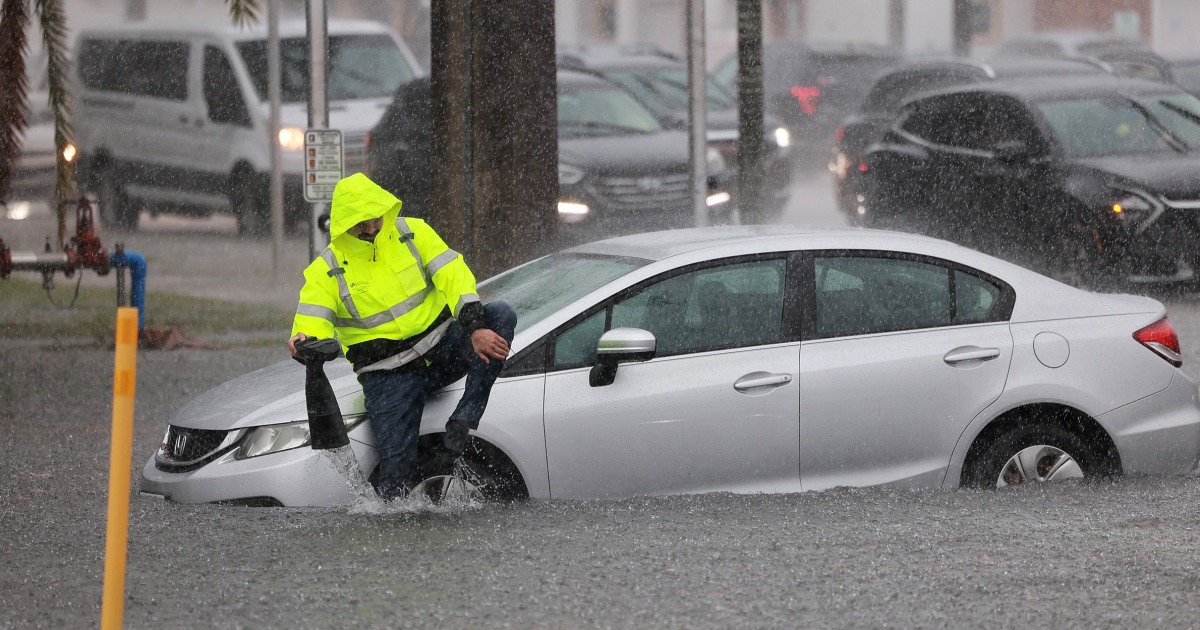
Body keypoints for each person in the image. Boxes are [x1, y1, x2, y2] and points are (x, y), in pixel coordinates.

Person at [288, 173, 516, 501]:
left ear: (384, 210)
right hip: (388, 377)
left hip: (443, 350)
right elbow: (311, 321)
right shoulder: (327, 269)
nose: (370, 228)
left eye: (374, 219)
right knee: (394, 484)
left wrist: (475, 326)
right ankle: (394, 541)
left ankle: (465, 416)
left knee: (501, 314)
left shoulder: (412, 232)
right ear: (342, 225)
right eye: (359, 223)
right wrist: (303, 341)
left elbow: (453, 275)